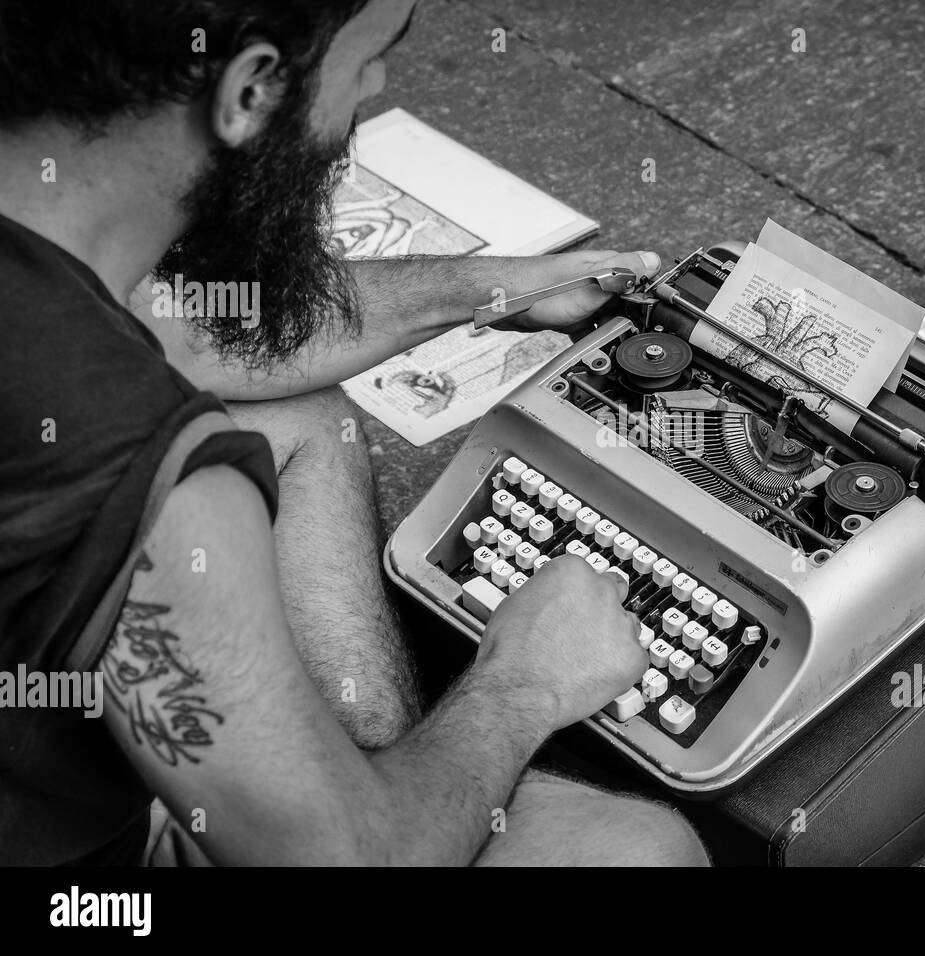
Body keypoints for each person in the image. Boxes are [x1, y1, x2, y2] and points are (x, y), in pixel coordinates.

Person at [0, 0, 708, 866]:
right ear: (251, 90)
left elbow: (191, 327)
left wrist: (487, 288)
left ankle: (370, 768)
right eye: (370, 58)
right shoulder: (136, 457)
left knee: (304, 419)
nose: (375, 90)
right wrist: (524, 681)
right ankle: (390, 800)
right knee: (641, 845)